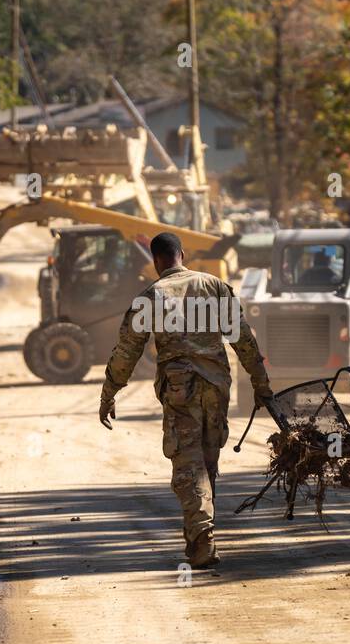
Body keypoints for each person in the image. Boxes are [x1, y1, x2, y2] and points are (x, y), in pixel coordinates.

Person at [99, 232, 272, 568]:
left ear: (156, 261)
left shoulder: (151, 296)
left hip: (182, 390)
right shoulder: (215, 286)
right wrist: (260, 383)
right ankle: (198, 539)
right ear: (182, 254)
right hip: (216, 388)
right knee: (206, 464)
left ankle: (203, 538)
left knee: (188, 463)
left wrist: (109, 392)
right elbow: (244, 340)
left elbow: (126, 351)